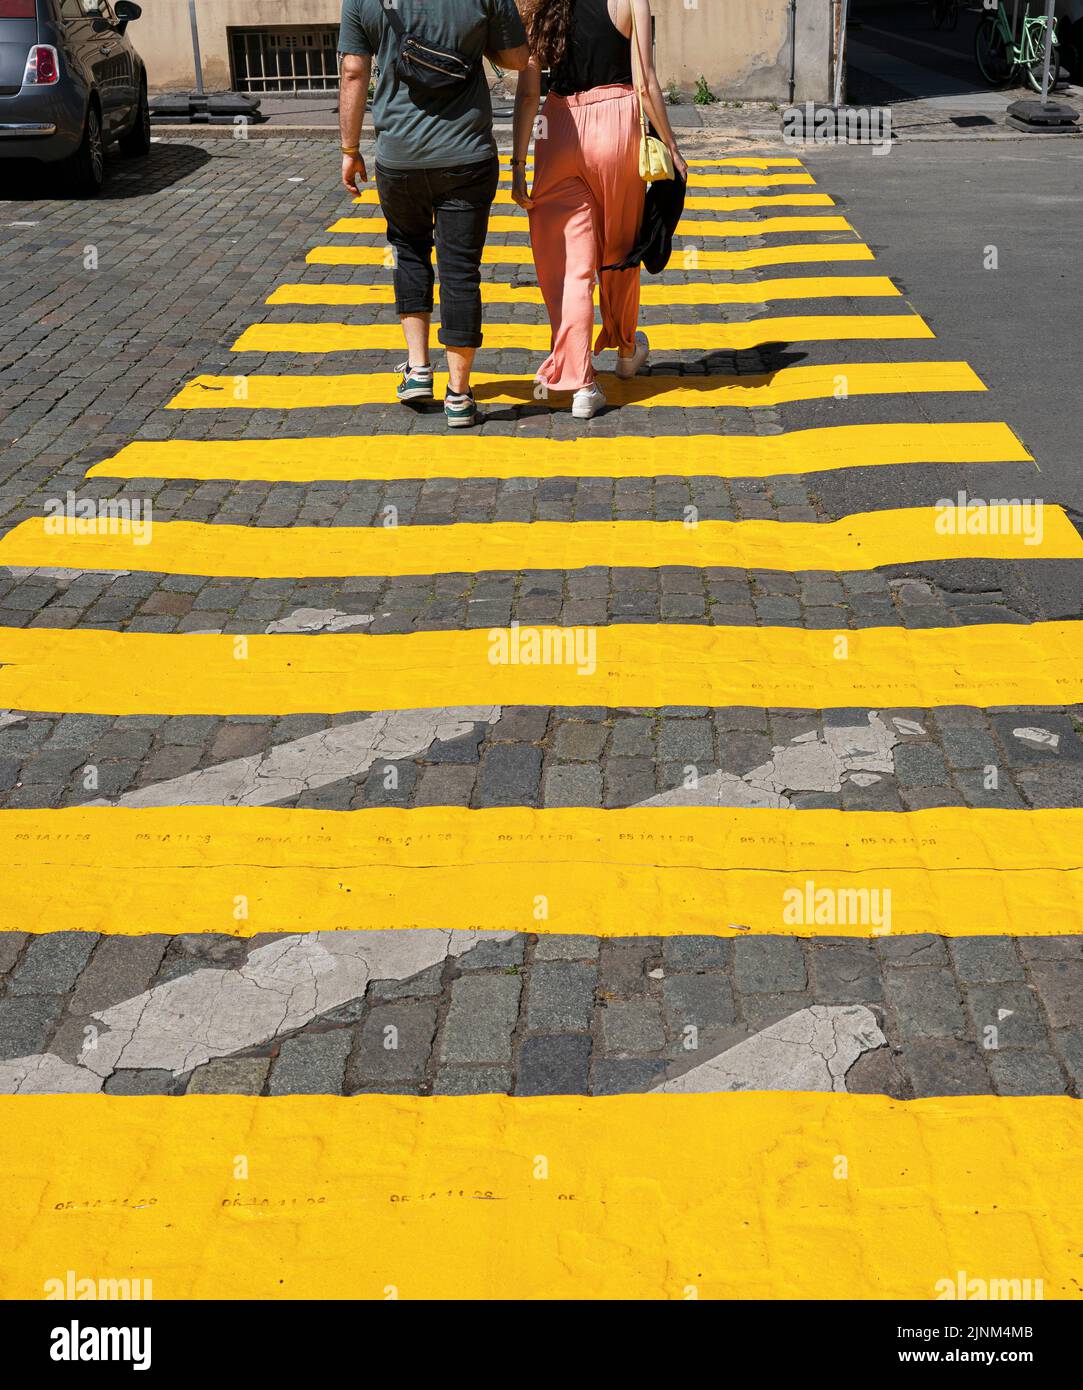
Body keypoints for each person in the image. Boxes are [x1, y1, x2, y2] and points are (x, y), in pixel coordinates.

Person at [338, 0, 530, 428]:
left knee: (409, 250)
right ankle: (459, 396)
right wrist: (477, 45)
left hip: (399, 157)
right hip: (467, 154)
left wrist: (349, 150)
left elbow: (354, 70)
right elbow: (519, 59)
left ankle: (418, 368)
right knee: (461, 271)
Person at [511, 0, 688, 419]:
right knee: (621, 248)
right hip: (616, 124)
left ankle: (582, 383)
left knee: (570, 265)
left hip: (557, 129)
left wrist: (518, 163)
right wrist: (673, 148)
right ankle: (626, 350)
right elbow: (644, 83)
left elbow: (528, 93)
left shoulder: (539, 5)